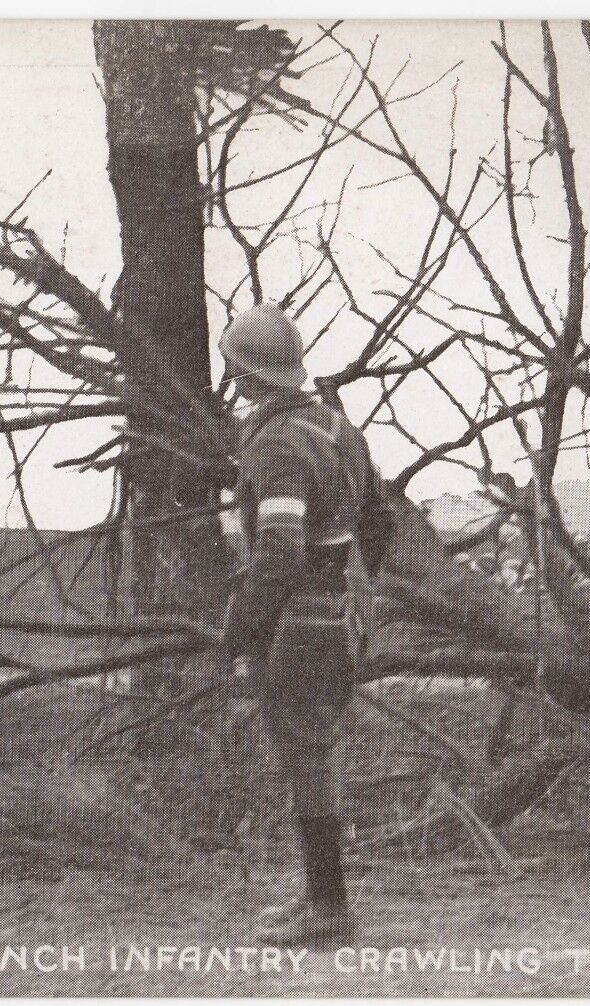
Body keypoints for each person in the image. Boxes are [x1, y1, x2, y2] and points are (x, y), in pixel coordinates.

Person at [216, 303, 391, 947]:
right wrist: (356, 603)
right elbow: (380, 524)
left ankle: (327, 910)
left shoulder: (276, 441)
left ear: (246, 369)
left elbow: (282, 550)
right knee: (313, 758)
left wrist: (241, 624)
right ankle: (326, 902)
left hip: (296, 624)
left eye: (234, 365)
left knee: (305, 761)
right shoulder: (342, 430)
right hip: (338, 617)